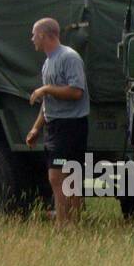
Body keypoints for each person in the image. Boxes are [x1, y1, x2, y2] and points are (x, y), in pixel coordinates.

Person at [24, 17, 89, 226]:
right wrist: (35, 129)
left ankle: (66, 225)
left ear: (44, 35)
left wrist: (46, 89)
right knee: (62, 178)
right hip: (54, 127)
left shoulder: (69, 57)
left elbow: (76, 91)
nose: (32, 38)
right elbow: (47, 103)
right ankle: (69, 224)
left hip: (70, 126)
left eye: (34, 34)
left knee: (59, 177)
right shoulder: (47, 63)